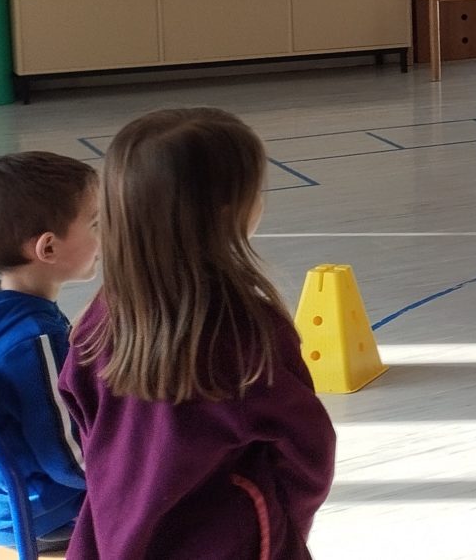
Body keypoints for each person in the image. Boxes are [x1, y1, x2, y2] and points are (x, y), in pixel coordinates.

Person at [59, 108, 335, 559]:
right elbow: (308, 451)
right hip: (233, 541)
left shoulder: (95, 324)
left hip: (117, 531)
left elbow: (85, 422)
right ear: (228, 213)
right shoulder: (250, 333)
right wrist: (283, 523)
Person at [0, 153, 96, 554]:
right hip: (44, 513)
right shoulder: (35, 339)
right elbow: (67, 456)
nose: (103, 236)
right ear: (47, 248)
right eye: (94, 225)